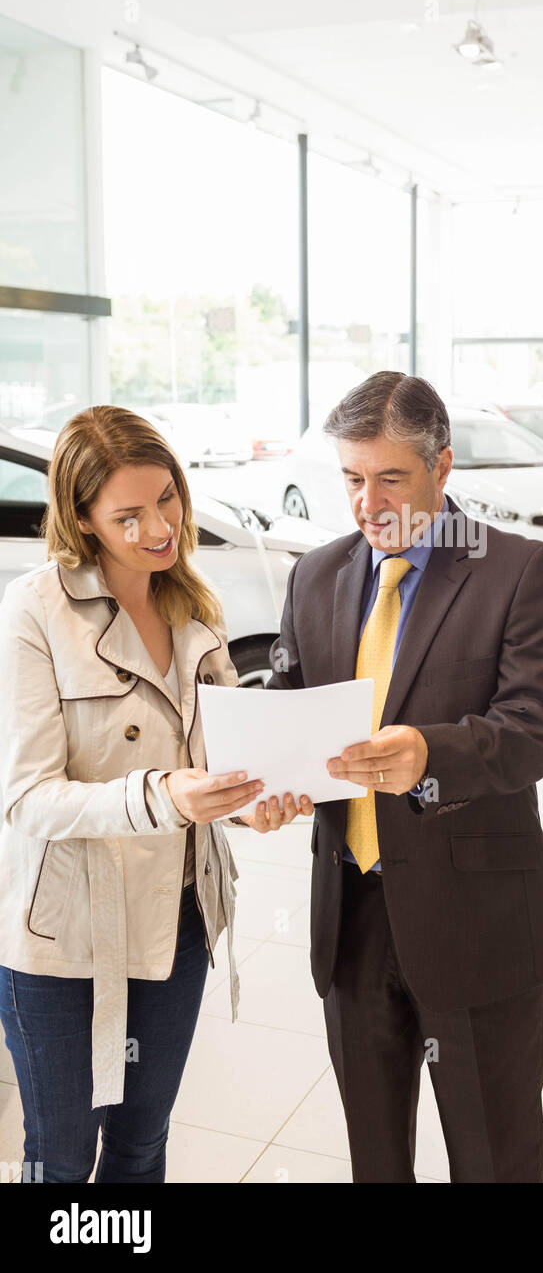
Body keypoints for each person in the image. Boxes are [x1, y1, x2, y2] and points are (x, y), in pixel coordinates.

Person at [267, 371, 543, 1182]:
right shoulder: (316, 576)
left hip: (475, 926)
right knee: (377, 1163)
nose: (368, 502)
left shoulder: (517, 571)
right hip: (354, 923)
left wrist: (430, 754)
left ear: (442, 469)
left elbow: (539, 728)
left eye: (390, 478)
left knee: (494, 1161)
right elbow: (291, 707)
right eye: (352, 479)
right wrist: (262, 781)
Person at [0, 404, 307, 1184]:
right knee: (62, 1159)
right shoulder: (35, 612)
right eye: (128, 515)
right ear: (82, 518)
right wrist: (162, 795)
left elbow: (218, 762)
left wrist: (252, 799)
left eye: (166, 499)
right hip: (63, 935)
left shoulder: (195, 607)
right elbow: (29, 797)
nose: (158, 528)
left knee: (142, 1147)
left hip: (178, 919)